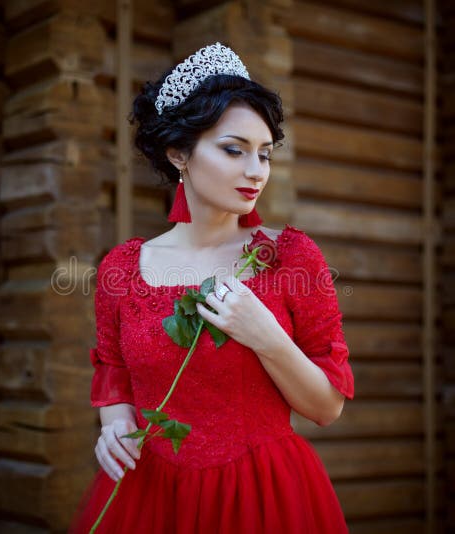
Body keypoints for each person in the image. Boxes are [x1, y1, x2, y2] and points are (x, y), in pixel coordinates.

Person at [72, 43, 354, 533]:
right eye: (234, 150)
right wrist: (114, 426)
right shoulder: (123, 266)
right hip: (152, 499)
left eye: (264, 154)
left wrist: (266, 336)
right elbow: (113, 368)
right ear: (178, 152)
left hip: (263, 498)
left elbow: (326, 407)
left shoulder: (292, 257)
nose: (256, 171)